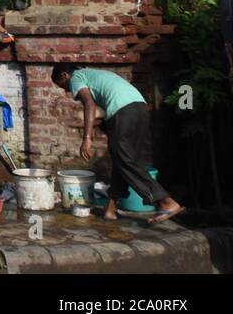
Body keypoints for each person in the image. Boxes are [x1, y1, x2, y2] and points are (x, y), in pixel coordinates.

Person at [51, 63, 184, 224]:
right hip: (140, 109)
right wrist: (96, 124)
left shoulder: (76, 78)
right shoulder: (94, 74)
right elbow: (104, 109)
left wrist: (87, 138)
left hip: (125, 112)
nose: (67, 91)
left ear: (65, 76)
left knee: (124, 160)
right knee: (122, 160)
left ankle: (165, 201)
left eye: (63, 86)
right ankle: (111, 208)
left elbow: (89, 104)